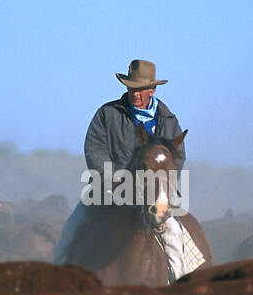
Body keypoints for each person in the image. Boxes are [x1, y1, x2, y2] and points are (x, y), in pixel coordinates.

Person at [54, 59, 190, 266]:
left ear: (152, 90)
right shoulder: (107, 114)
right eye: (131, 88)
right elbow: (94, 148)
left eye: (140, 89)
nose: (134, 94)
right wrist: (113, 177)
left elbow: (177, 157)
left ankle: (178, 288)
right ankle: (59, 277)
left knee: (174, 237)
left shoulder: (169, 121)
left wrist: (164, 186)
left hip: (153, 195)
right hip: (108, 192)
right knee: (71, 228)